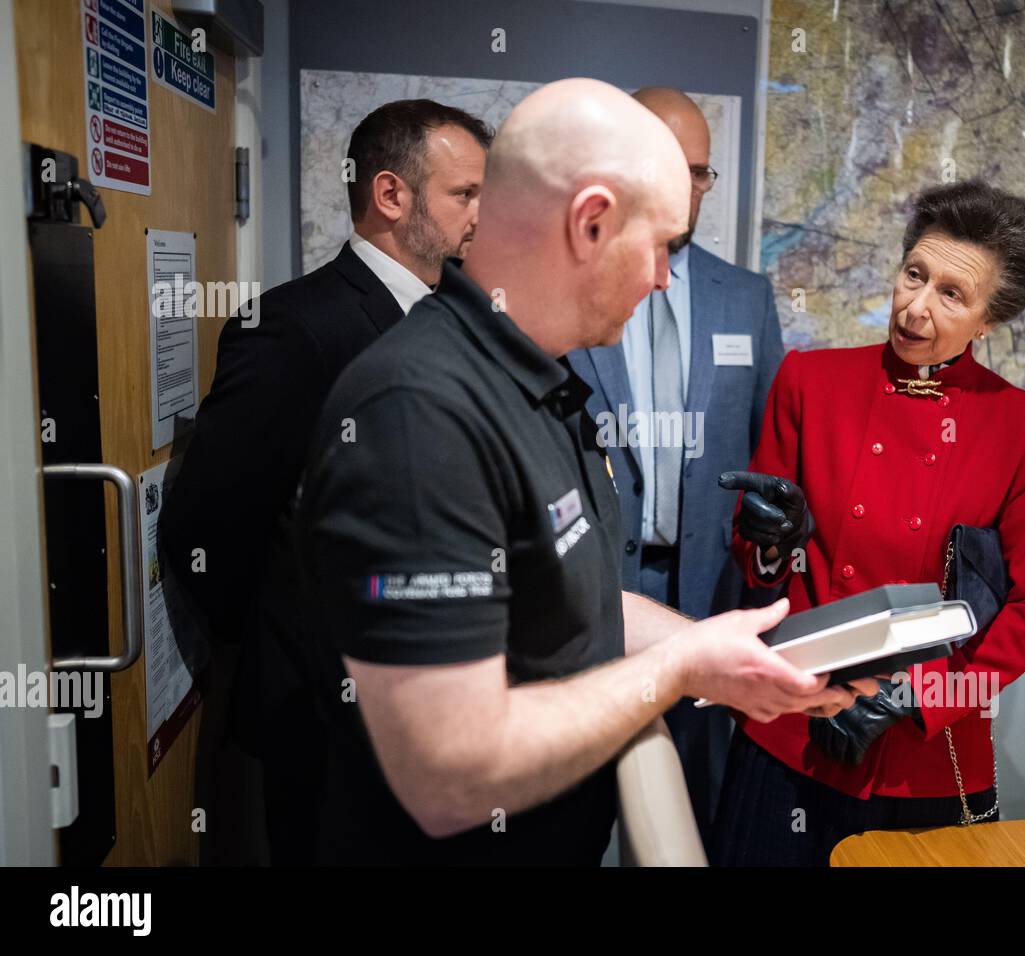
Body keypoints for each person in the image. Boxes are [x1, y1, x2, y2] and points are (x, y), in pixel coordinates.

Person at [293, 78, 856, 865]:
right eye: (658, 245)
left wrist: (726, 656)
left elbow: (576, 599)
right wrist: (679, 670)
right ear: (591, 222)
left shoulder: (539, 383)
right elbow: (449, 771)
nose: (664, 278)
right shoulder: (417, 412)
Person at [160, 99, 491, 864]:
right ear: (389, 195)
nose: (482, 215)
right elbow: (208, 524)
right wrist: (289, 646)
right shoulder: (292, 327)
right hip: (323, 716)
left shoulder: (460, 318)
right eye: (464, 195)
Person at [712, 180, 1025, 866]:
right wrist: (766, 544)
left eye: (951, 294)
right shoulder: (810, 383)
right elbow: (759, 562)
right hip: (790, 731)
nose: (915, 308)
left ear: (990, 320)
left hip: (921, 755)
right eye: (914, 275)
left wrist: (919, 696)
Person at [566, 86, 785, 845]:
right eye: (673, 166)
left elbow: (769, 455)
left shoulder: (747, 300)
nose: (689, 188)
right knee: (584, 805)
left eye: (702, 172)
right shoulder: (571, 290)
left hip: (705, 594)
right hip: (591, 594)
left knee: (687, 815)